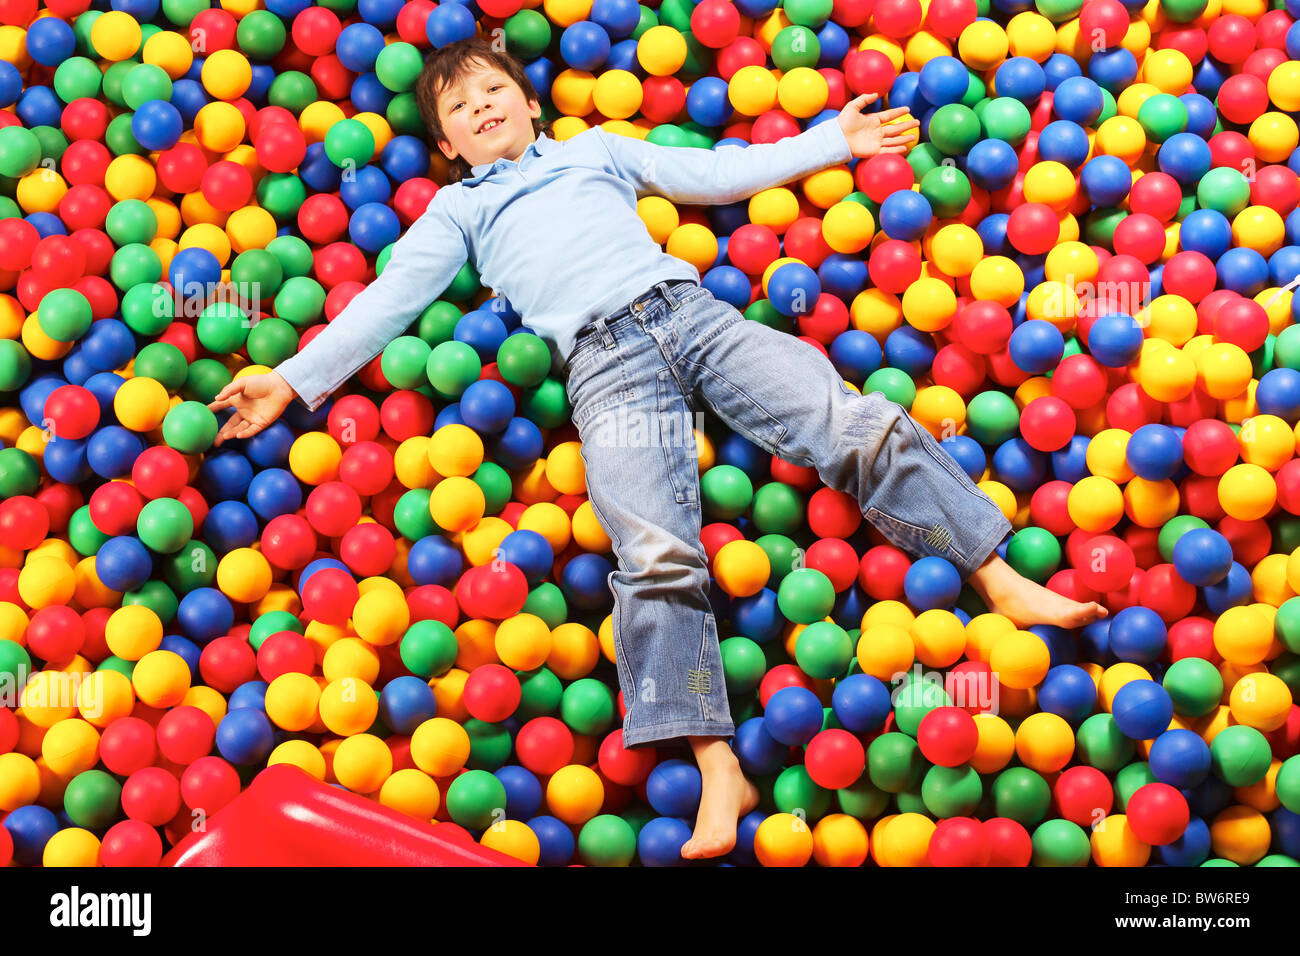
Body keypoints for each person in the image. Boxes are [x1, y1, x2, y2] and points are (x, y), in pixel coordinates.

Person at [207, 36, 1107, 862]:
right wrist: (292, 378)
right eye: (458, 109)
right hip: (605, 367)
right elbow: (388, 302)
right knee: (652, 550)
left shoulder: (594, 149)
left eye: (492, 90)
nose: (481, 107)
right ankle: (717, 760)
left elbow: (712, 173)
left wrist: (832, 141)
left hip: (692, 317)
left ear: (528, 103)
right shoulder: (456, 213)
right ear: (447, 145)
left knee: (847, 420)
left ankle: (995, 573)